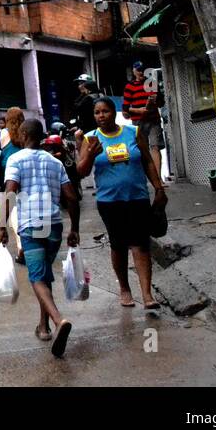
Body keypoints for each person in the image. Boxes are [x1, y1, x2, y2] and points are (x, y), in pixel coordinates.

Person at [0, 118, 81, 357]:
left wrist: (2, 225)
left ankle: (59, 321)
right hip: (54, 225)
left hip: (32, 225)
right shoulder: (54, 162)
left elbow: (10, 191)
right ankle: (43, 327)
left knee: (36, 278)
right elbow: (72, 197)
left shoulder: (15, 159)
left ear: (24, 135)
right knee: (44, 275)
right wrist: (74, 229)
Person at [78, 97, 167, 310]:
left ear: (113, 112)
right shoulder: (90, 139)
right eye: (97, 112)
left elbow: (147, 160)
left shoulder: (132, 133)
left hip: (137, 198)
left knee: (141, 244)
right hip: (109, 202)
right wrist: (90, 156)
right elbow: (81, 171)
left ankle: (146, 294)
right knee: (118, 245)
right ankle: (125, 289)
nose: (101, 116)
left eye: (105, 111)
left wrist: (159, 188)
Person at [0, 108, 26, 262]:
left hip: (8, 178)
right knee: (23, 207)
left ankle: (21, 245)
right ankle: (24, 243)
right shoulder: (25, 133)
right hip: (24, 174)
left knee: (13, 210)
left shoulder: (0, 135)